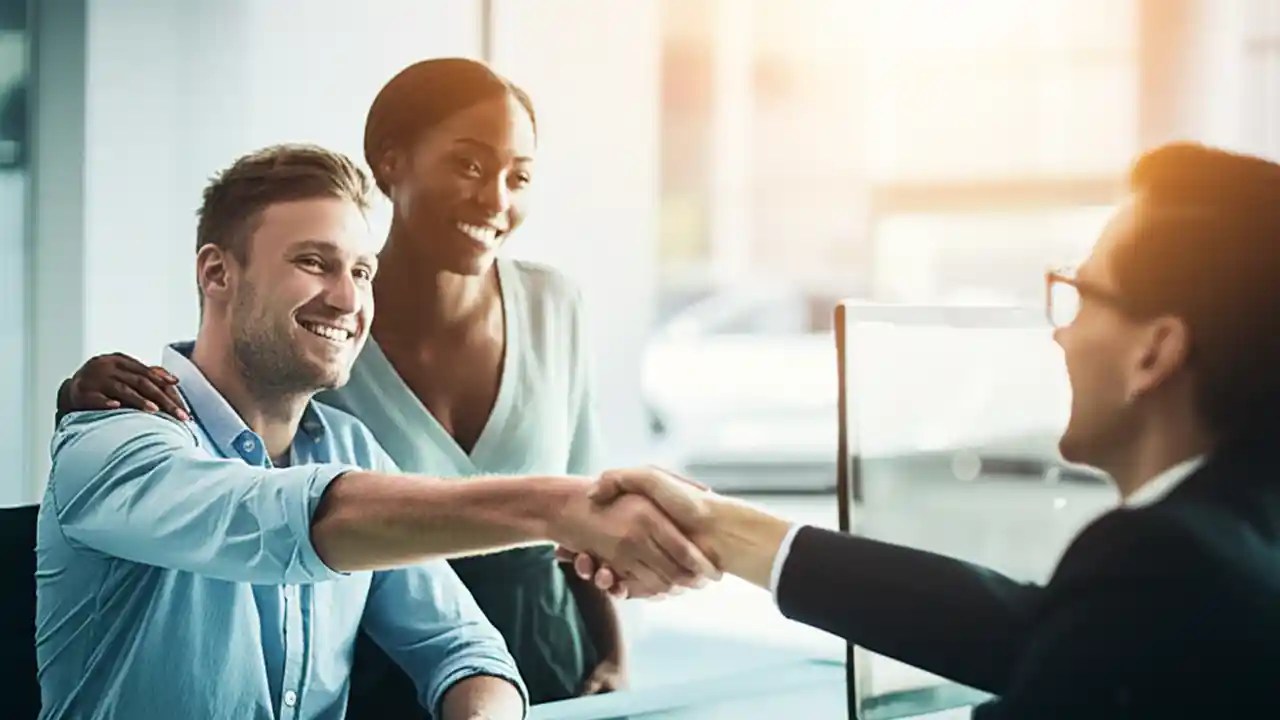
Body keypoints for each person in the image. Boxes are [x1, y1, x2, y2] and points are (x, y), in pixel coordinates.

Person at [574, 142, 1280, 717]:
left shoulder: (1160, 559)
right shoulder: (1236, 538)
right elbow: (1031, 631)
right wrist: (720, 529)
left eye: (1081, 296)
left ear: (1155, 352)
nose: (1060, 334)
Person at [37, 144, 716, 720]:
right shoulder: (113, 441)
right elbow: (270, 521)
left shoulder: (349, 447)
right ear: (217, 273)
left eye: (361, 272)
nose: (348, 299)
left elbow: (464, 649)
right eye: (313, 262)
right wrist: (559, 509)